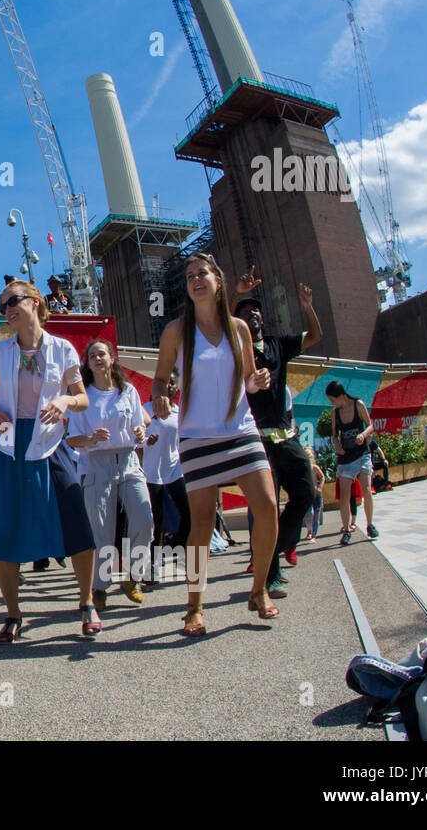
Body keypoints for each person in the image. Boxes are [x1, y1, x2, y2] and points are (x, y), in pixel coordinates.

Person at [150, 253, 280, 636]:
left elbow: (248, 378)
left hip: (241, 430)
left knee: (269, 506)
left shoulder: (239, 328)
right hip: (197, 436)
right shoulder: (176, 331)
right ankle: (194, 606)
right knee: (202, 524)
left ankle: (258, 591)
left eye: (202, 273)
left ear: (218, 281)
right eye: (189, 276)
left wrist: (258, 382)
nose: (195, 279)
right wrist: (160, 396)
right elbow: (160, 379)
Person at [0, 279, 97, 643]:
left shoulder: (63, 349)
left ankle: (87, 602)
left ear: (35, 302)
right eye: (3, 305)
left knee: (74, 518)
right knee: (3, 528)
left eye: (13, 300)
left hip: (51, 440)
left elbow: (82, 399)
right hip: (10, 442)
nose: (8, 308)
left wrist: (64, 402)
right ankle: (12, 615)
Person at [229, 268, 322, 599]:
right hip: (254, 439)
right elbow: (220, 327)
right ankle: (271, 579)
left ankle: (276, 547)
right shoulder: (234, 351)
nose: (251, 314)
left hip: (286, 436)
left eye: (255, 310)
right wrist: (237, 294)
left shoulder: (279, 345)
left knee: (306, 493)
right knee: (264, 506)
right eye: (244, 312)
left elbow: (313, 336)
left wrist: (307, 305)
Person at [65, 339, 152, 608]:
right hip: (95, 463)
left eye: (101, 354)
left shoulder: (128, 391)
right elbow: (72, 440)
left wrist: (140, 432)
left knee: (144, 519)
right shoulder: (83, 398)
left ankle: (133, 577)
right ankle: (100, 587)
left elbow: (140, 426)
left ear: (112, 358)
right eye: (92, 356)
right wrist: (90, 438)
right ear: (87, 364)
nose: (97, 358)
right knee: (101, 530)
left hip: (127, 460)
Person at [142, 367, 190, 582]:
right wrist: (145, 441)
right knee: (157, 520)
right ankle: (152, 565)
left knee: (188, 514)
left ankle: (177, 548)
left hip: (175, 470)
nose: (169, 386)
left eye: (173, 383)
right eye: (165, 382)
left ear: (176, 387)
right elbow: (134, 437)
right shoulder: (145, 410)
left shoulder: (180, 412)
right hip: (151, 473)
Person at [328, 380, 378, 543]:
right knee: (344, 495)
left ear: (341, 396)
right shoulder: (335, 413)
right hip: (346, 457)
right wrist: (337, 446)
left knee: (366, 489)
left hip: (361, 453)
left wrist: (363, 435)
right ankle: (347, 530)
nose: (332, 403)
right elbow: (334, 435)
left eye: (333, 399)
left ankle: (370, 525)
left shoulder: (358, 405)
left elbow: (370, 426)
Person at [305, 446, 325, 544]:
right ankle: (309, 531)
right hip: (308, 495)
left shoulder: (314, 468)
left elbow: (322, 477)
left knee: (316, 514)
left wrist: (320, 487)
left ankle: (314, 535)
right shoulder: (303, 469)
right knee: (309, 513)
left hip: (316, 494)